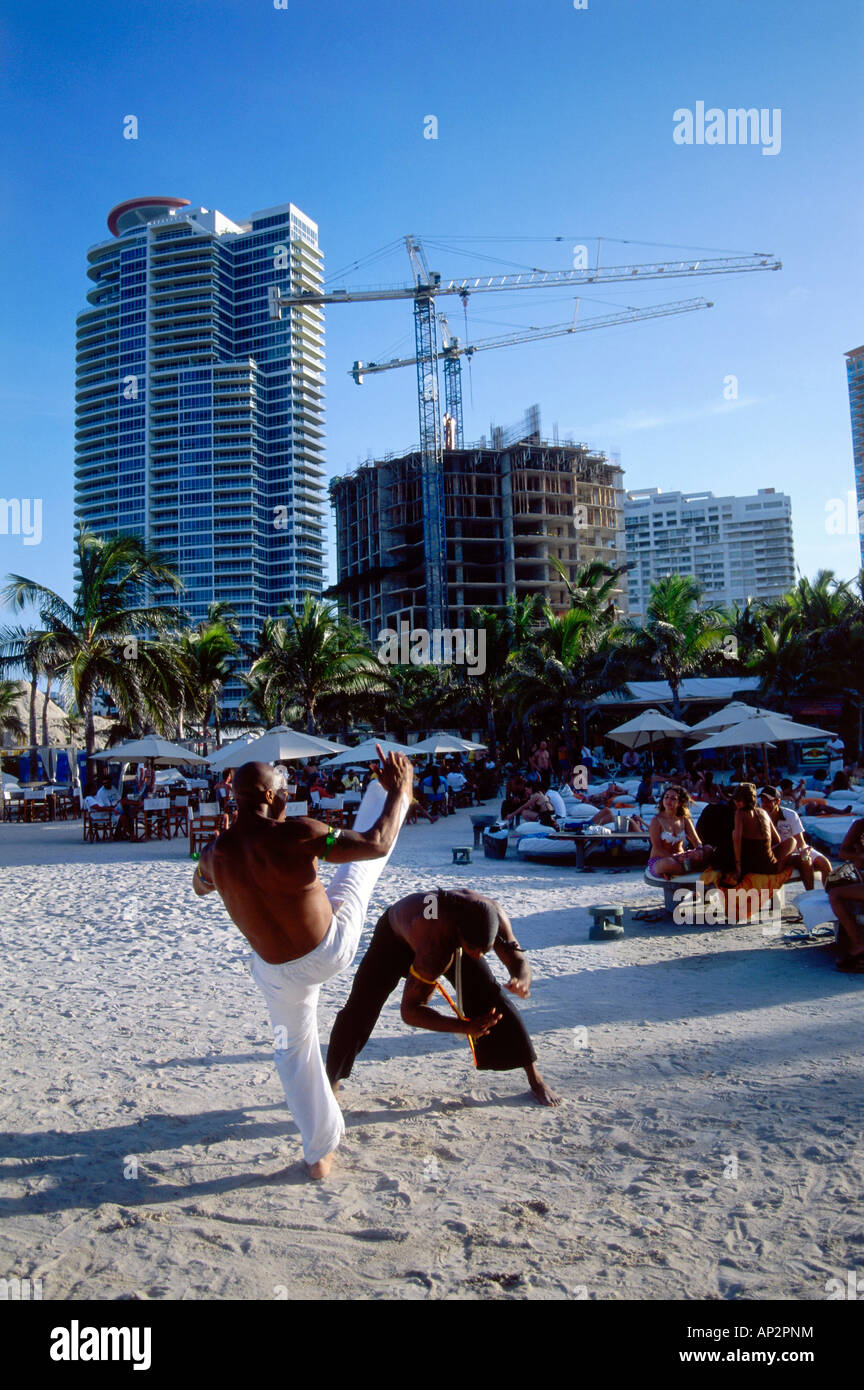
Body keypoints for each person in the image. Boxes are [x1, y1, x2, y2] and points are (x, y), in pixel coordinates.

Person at [192, 749, 413, 1179]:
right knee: (355, 877)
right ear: (274, 798)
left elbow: (200, 887)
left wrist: (211, 864)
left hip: (276, 975)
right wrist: (400, 791)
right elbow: (377, 843)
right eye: (285, 792)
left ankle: (318, 1153)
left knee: (292, 1053)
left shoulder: (213, 854)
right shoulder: (300, 833)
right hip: (329, 950)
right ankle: (385, 791)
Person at [326, 888, 560, 1106]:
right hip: (394, 940)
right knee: (360, 1010)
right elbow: (410, 1011)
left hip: (448, 933)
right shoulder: (434, 946)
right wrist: (463, 1026)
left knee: (491, 995)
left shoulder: (493, 914)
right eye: (474, 950)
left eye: (484, 951)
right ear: (459, 935)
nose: (478, 956)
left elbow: (517, 958)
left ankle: (534, 1078)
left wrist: (520, 978)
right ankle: (330, 1086)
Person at [758, 786, 831, 891]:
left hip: (795, 849)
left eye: (768, 801)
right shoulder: (760, 817)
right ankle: (810, 893)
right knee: (804, 860)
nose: (765, 805)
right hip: (776, 853)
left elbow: (800, 842)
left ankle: (826, 896)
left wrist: (803, 853)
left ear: (778, 801)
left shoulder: (790, 815)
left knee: (824, 863)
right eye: (763, 801)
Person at [828, 818, 864, 972]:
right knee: (834, 884)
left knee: (835, 895)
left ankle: (858, 943)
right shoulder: (860, 825)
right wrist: (861, 857)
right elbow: (843, 852)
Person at [647, 786, 705, 879]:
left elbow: (696, 842)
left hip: (682, 858)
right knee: (669, 864)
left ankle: (677, 870)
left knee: (707, 849)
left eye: (673, 798)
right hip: (661, 860)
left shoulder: (684, 820)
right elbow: (657, 848)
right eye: (666, 797)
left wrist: (699, 852)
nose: (668, 800)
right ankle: (684, 869)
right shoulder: (656, 820)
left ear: (680, 803)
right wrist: (676, 859)